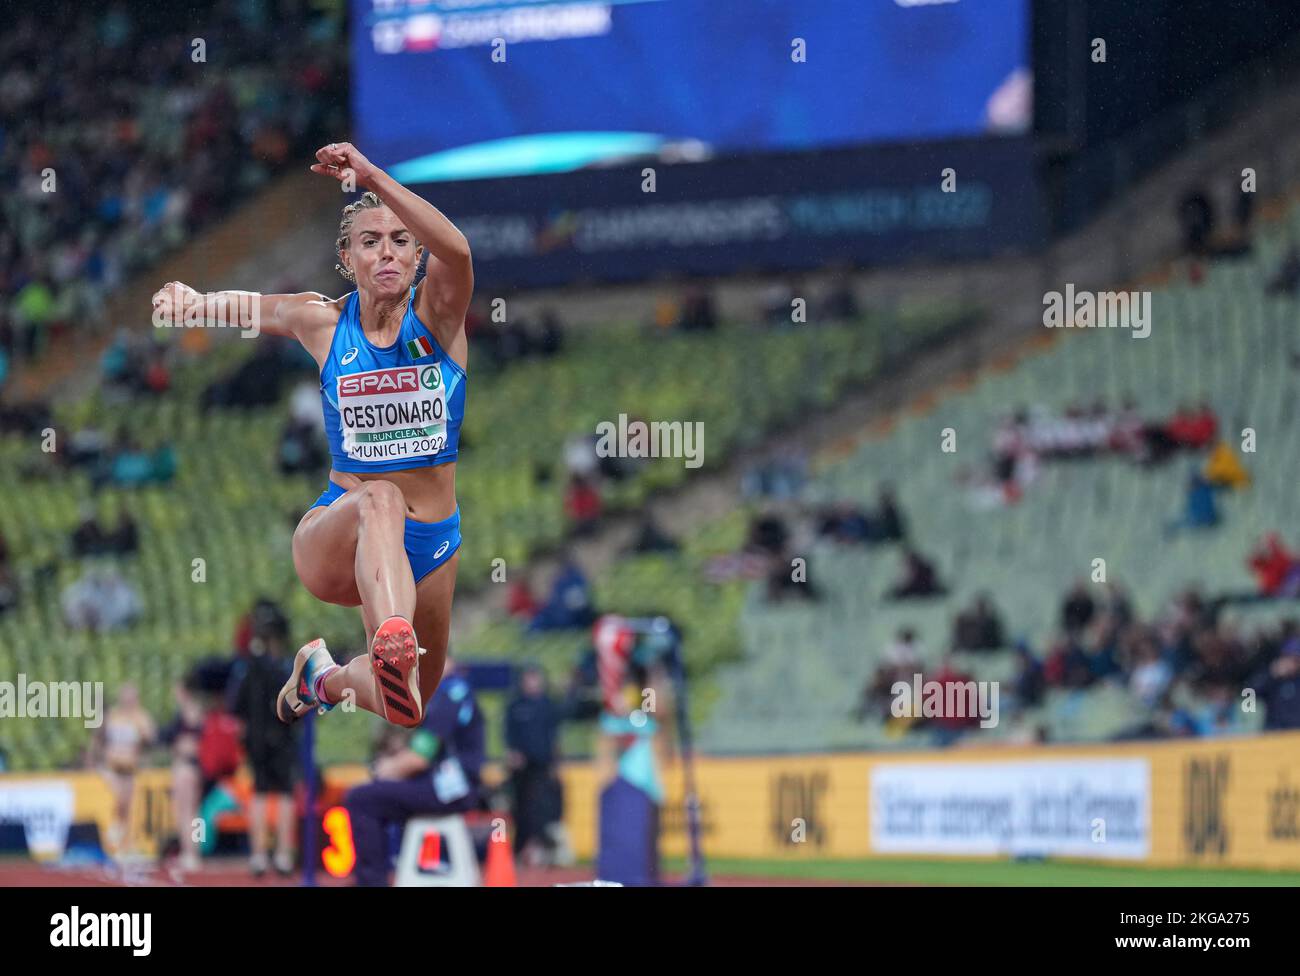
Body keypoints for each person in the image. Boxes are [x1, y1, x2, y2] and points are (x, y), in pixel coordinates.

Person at [152, 141, 473, 730]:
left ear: (418, 256)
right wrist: (194, 305)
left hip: (432, 545)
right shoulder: (325, 322)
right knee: (382, 497)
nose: (387, 254)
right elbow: (257, 311)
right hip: (340, 534)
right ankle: (389, 636)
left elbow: (458, 249)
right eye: (370, 241)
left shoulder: (440, 321)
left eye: (401, 241)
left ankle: (321, 678)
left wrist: (373, 176)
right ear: (347, 259)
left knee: (409, 706)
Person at [343, 654, 485, 886]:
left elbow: (419, 758)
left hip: (449, 789)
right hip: (451, 786)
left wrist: (384, 769)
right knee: (382, 795)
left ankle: (371, 881)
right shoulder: (455, 690)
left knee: (361, 798)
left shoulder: (450, 693)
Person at [226, 605, 299, 877]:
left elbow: (235, 706)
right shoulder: (283, 667)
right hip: (281, 735)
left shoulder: (246, 667)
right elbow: (297, 700)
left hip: (257, 738)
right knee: (284, 793)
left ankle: (259, 855)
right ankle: (281, 854)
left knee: (260, 791)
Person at [505, 664, 563, 866]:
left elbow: (554, 737)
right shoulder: (515, 705)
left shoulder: (548, 705)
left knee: (540, 809)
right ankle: (521, 849)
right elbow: (509, 734)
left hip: (542, 766)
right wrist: (512, 753)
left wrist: (556, 764)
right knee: (520, 809)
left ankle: (538, 849)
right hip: (521, 768)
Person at [91, 684, 156, 858]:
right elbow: (98, 737)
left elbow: (149, 741)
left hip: (130, 769)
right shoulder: (113, 716)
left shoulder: (141, 717)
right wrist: (97, 758)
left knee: (127, 808)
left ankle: (124, 846)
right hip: (112, 767)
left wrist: (143, 736)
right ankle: (115, 835)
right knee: (120, 800)